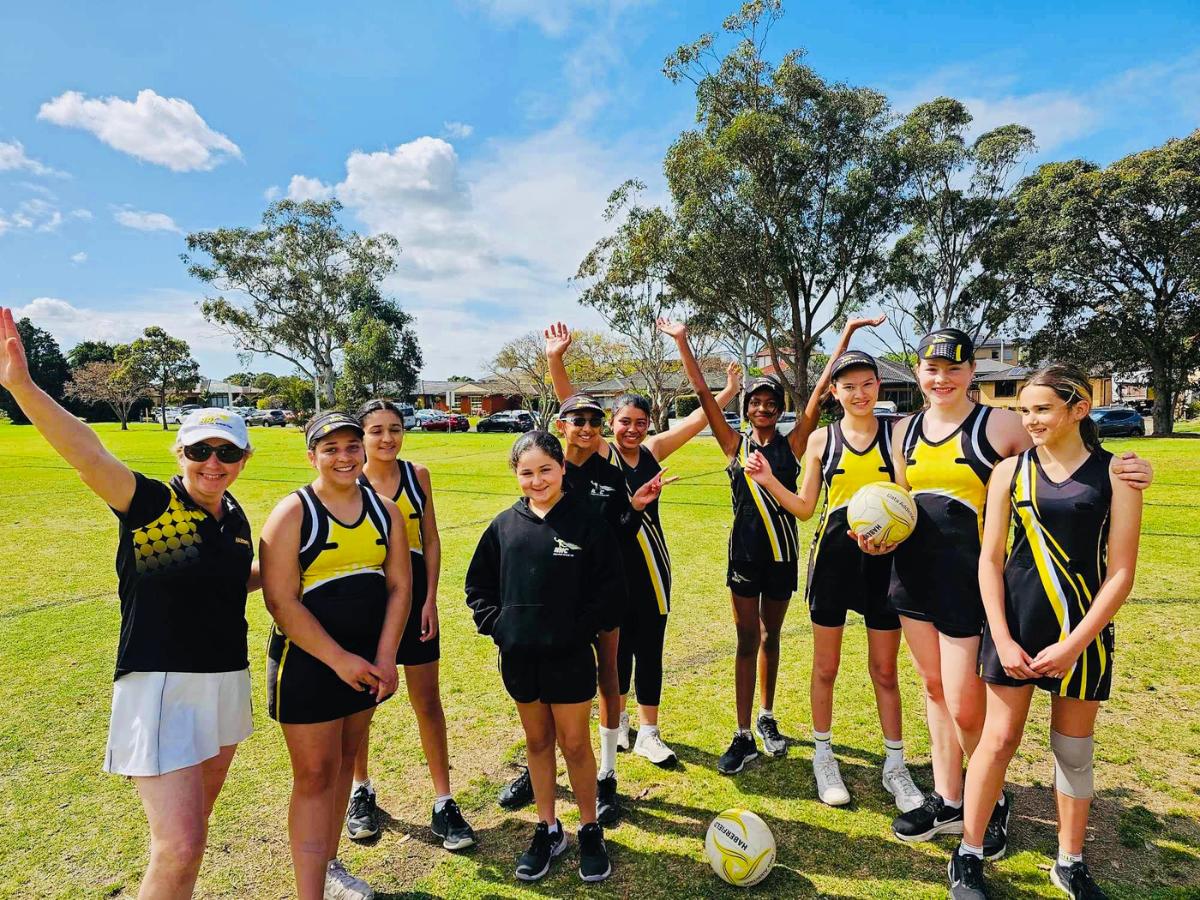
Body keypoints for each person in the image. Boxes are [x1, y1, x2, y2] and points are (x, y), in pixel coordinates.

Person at [857, 328, 1151, 861]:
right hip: (912, 576)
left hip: (970, 584)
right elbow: (899, 503)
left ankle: (987, 802)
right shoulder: (901, 430)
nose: (941, 378)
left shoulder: (1003, 423)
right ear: (918, 373)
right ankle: (949, 798)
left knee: (969, 711)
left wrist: (1129, 467)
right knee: (934, 691)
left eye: (953, 369)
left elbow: (1063, 458)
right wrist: (877, 540)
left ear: (972, 373)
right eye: (931, 369)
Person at [0, 308, 258, 899]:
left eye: (226, 452)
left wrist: (299, 569)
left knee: (188, 838)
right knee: (181, 847)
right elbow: (88, 454)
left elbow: (227, 580)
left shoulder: (233, 515)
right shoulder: (149, 505)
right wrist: (23, 387)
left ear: (244, 460)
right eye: (200, 451)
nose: (213, 463)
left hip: (225, 681)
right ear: (179, 453)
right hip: (162, 684)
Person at [948, 364, 1141, 900]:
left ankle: (1070, 862)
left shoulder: (1117, 475)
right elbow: (990, 561)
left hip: (1082, 634)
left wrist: (1075, 643)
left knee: (1072, 751)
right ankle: (968, 852)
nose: (1030, 420)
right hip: (1017, 623)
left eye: (1042, 409)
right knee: (998, 739)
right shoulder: (1010, 473)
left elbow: (1120, 571)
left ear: (1079, 410)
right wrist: (1003, 638)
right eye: (1024, 410)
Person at [664, 314, 886, 775]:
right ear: (746, 410)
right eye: (756, 403)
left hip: (783, 558)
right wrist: (683, 340)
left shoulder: (795, 442)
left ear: (781, 409)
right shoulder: (733, 444)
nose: (763, 409)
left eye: (771, 403)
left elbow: (825, 383)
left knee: (772, 636)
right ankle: (742, 733)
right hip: (743, 557)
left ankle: (767, 718)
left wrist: (846, 332)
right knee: (747, 639)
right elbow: (705, 396)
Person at [743, 349, 924, 813]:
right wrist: (767, 480)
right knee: (826, 667)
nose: (858, 393)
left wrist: (894, 536)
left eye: (866, 384)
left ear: (878, 388)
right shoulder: (823, 440)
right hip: (833, 561)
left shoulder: (898, 434)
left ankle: (895, 767)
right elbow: (805, 508)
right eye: (848, 386)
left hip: (885, 562)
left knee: (884, 670)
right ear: (835, 392)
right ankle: (824, 757)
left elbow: (907, 499)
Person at [260, 411, 412, 900]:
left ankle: (328, 866)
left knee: (346, 760)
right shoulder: (292, 512)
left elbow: (400, 586)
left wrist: (386, 656)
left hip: (365, 664)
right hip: (307, 666)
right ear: (312, 456)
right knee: (314, 776)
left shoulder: (385, 510)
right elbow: (280, 602)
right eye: (331, 449)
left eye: (351, 447)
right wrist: (339, 659)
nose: (344, 457)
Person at [466, 431, 626, 883]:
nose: (537, 481)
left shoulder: (588, 522)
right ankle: (548, 827)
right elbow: (478, 588)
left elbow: (611, 592)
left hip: (570, 658)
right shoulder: (503, 526)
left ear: (561, 468)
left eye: (545, 470)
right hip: (520, 659)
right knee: (537, 743)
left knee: (574, 744)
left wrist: (576, 631)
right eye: (526, 473)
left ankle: (590, 829)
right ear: (516, 475)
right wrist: (501, 627)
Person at [344, 399, 476, 851]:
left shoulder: (417, 476)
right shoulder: (349, 479)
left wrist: (431, 599)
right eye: (376, 430)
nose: (386, 438)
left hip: (415, 595)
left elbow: (432, 538)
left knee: (427, 702)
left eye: (395, 429)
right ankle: (360, 790)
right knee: (361, 704)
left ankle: (444, 801)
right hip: (367, 603)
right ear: (361, 435)